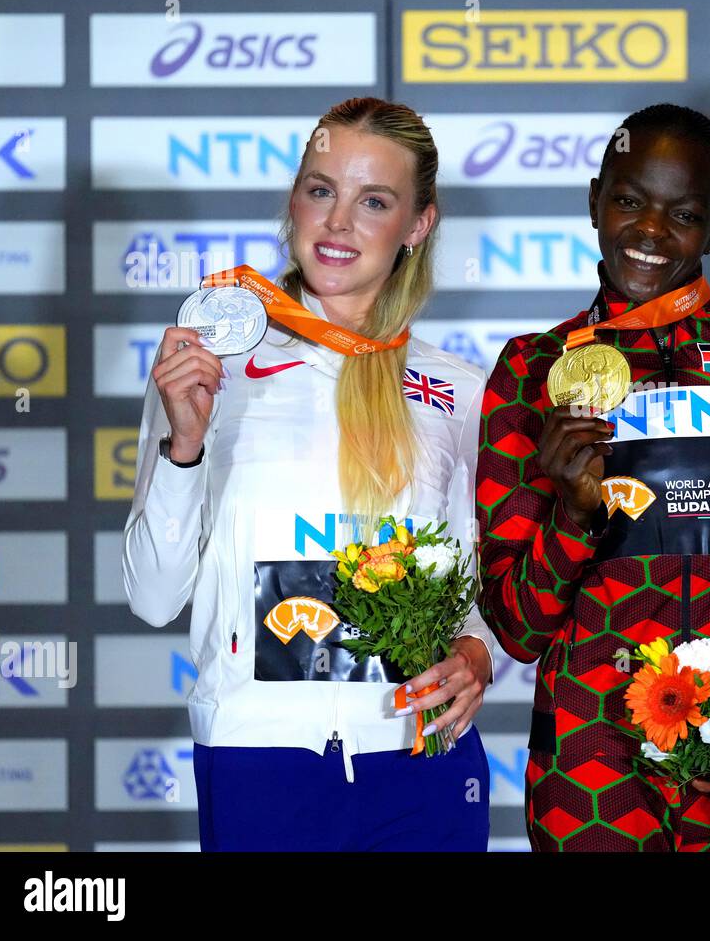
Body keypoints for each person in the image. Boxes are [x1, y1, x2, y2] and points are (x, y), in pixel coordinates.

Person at [476, 103, 710, 852]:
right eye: (628, 201)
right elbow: (518, 628)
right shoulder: (531, 370)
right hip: (592, 773)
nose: (650, 231)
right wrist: (572, 514)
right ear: (594, 200)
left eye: (683, 212)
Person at [124, 97, 494, 852]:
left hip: (425, 763)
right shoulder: (210, 362)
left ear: (418, 225)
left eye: (375, 201)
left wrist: (475, 652)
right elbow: (154, 597)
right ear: (293, 197)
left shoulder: (458, 388)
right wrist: (183, 447)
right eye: (321, 189)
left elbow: (476, 584)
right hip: (260, 762)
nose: (337, 223)